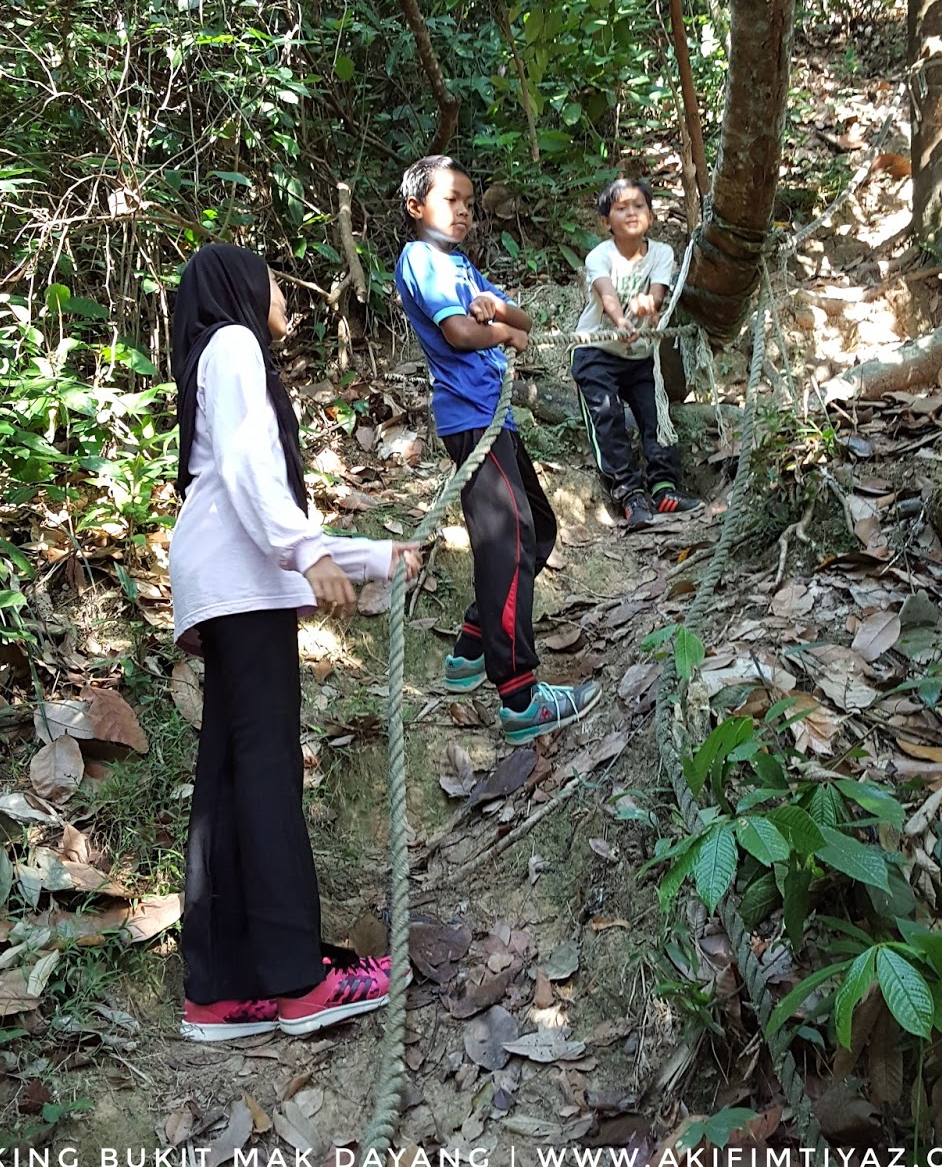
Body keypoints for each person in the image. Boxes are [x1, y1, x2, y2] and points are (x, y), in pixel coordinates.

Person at [170, 242, 420, 1042]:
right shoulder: (236, 344)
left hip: (227, 584)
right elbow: (250, 471)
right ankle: (297, 983)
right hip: (240, 592)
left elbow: (245, 494)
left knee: (233, 780)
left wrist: (372, 557)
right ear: (243, 287)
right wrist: (309, 553)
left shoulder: (215, 359)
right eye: (275, 279)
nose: (285, 293)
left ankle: (224, 987)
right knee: (267, 776)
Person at [395, 155, 600, 744]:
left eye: (467, 202)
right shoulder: (423, 259)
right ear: (417, 208)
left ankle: (469, 650)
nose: (462, 211)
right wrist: (499, 330)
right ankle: (519, 698)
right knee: (508, 543)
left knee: (535, 528)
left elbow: (524, 317)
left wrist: (498, 310)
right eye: (449, 200)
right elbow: (459, 334)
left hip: (496, 416)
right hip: (472, 418)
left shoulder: (460, 265)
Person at [572, 177, 702, 531]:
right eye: (621, 207)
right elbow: (606, 292)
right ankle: (630, 495)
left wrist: (650, 305)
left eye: (639, 205)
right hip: (596, 350)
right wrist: (620, 320)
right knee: (608, 418)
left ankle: (664, 488)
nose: (631, 212)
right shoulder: (600, 255)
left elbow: (658, 294)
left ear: (651, 215)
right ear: (605, 222)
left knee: (656, 416)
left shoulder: (662, 253)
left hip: (642, 356)